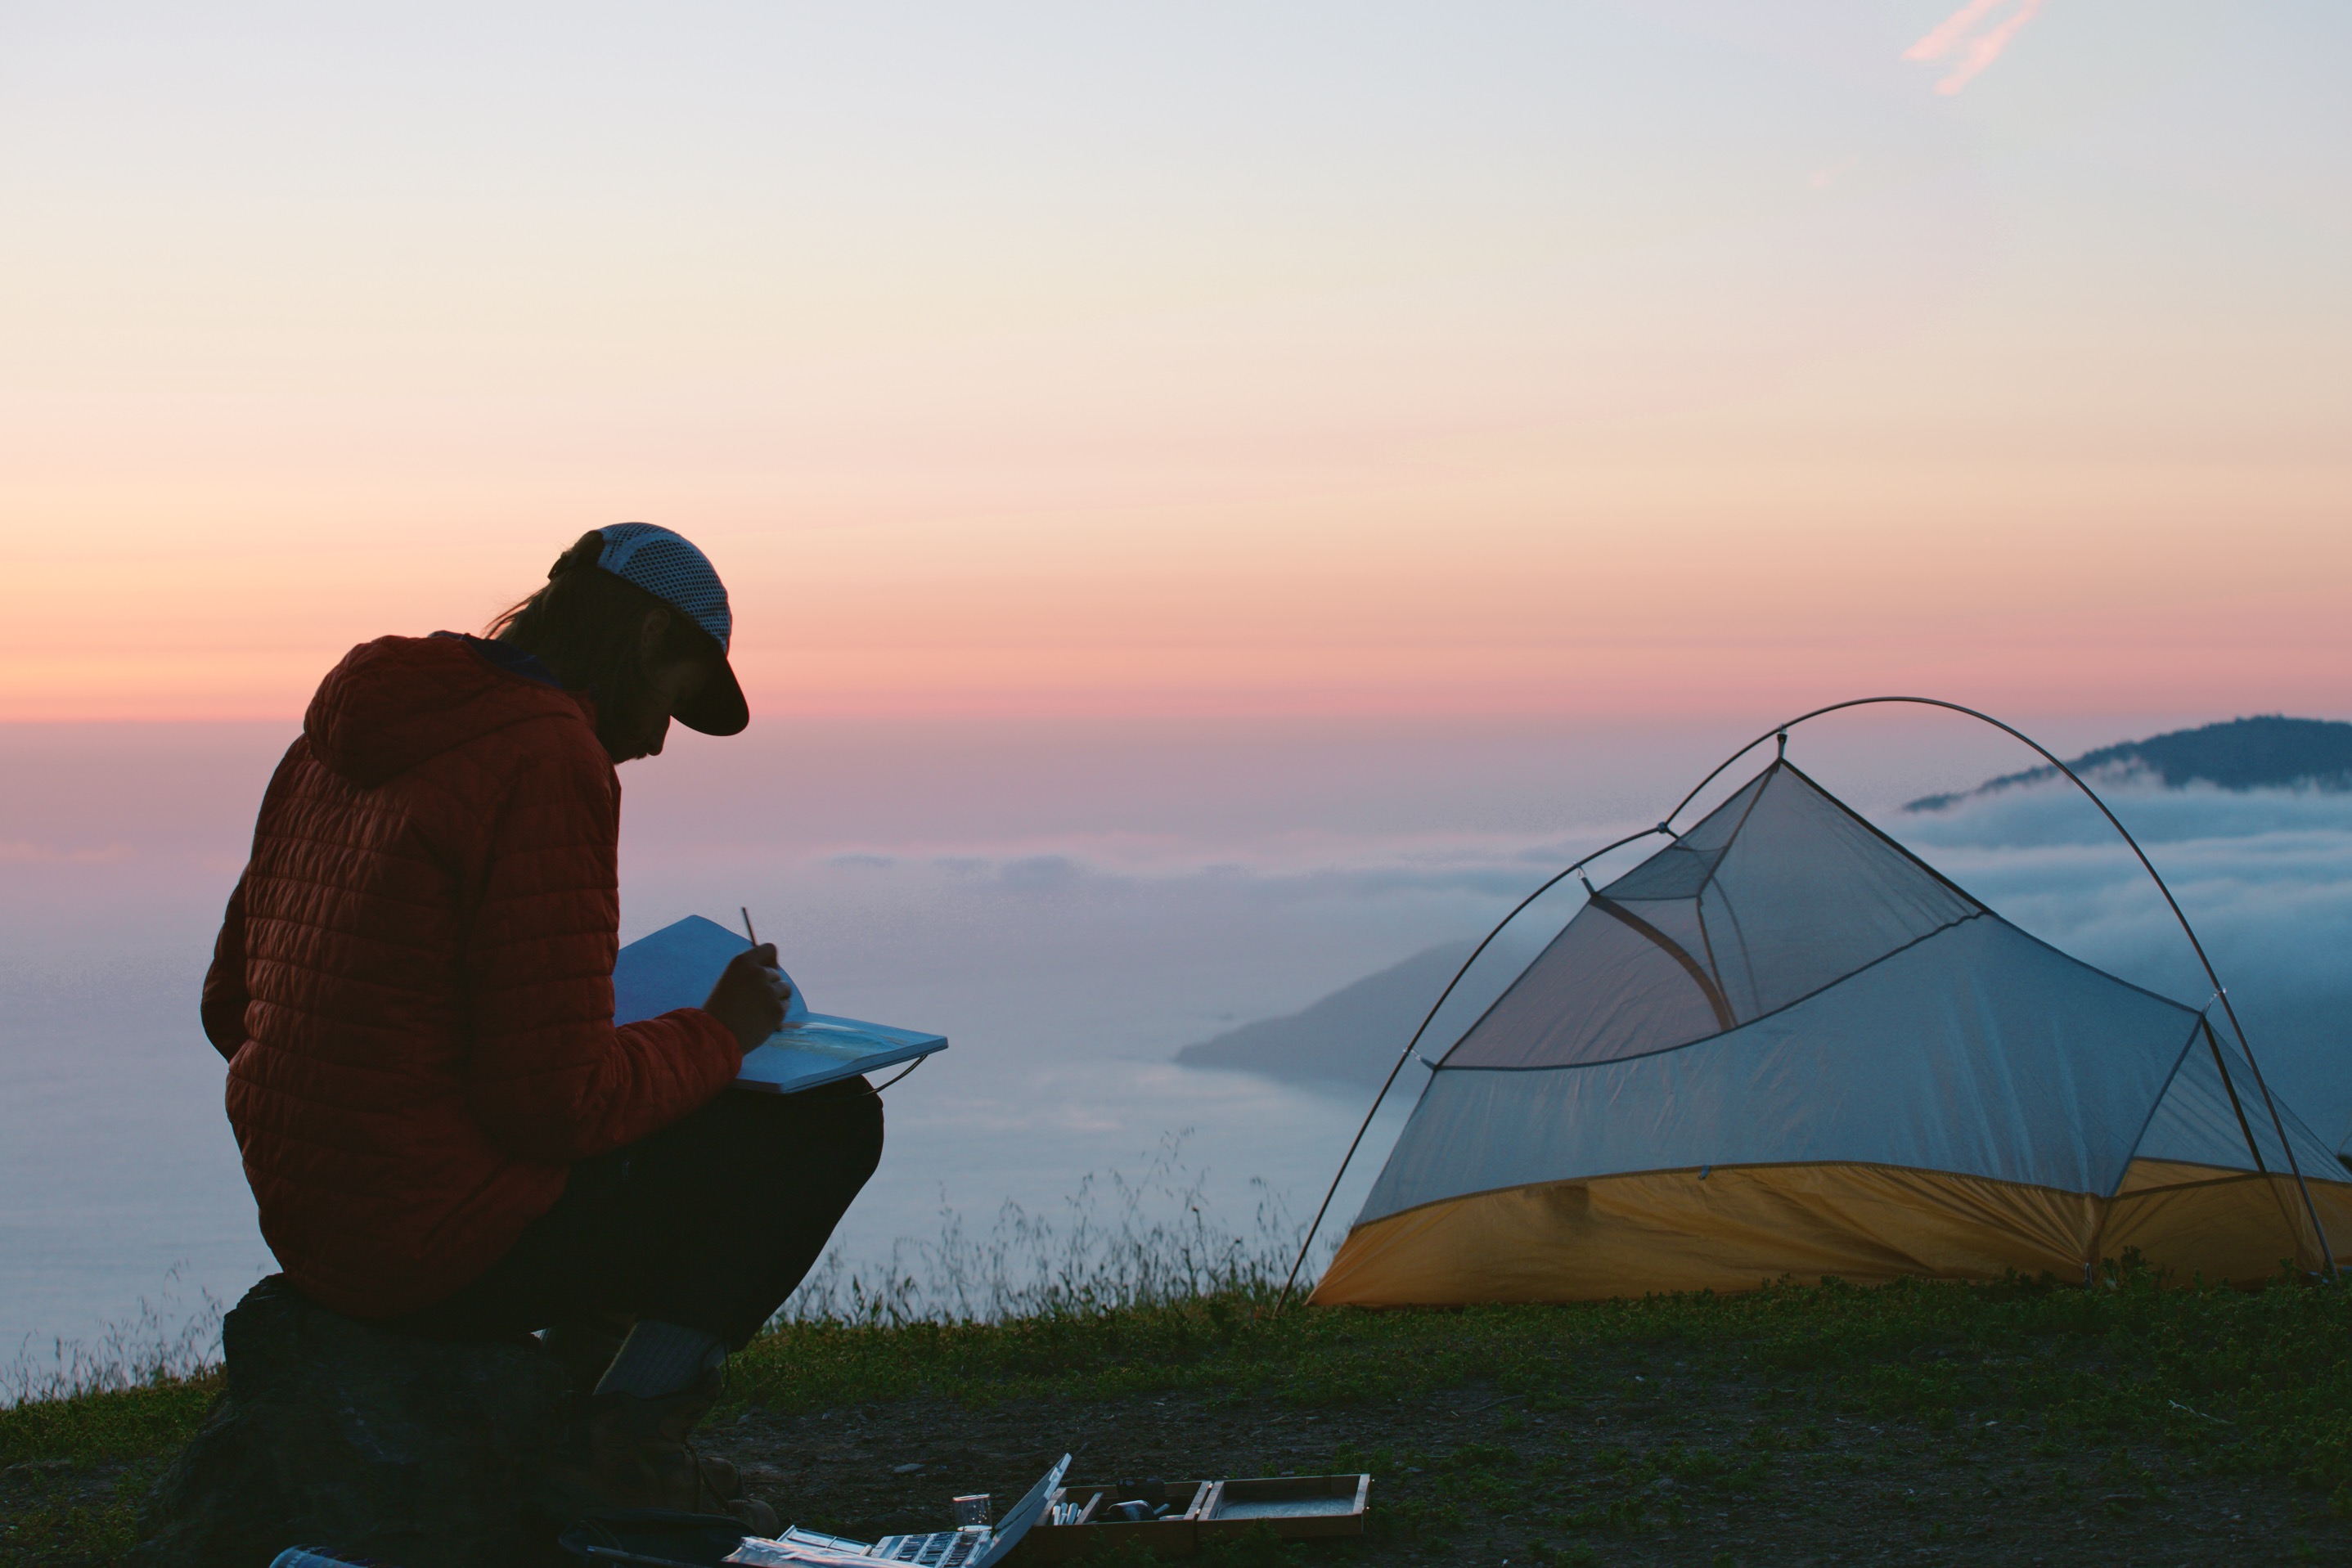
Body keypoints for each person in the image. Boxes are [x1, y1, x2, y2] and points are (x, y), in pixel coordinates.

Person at [200, 525, 882, 1530]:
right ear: (649, 636)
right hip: (436, 1247)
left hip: (317, 1223)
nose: (657, 740)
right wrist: (721, 1032)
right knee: (829, 1125)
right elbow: (555, 1104)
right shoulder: (547, 755)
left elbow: (231, 1008)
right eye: (672, 699)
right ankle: (622, 1450)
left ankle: (576, 1401)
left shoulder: (334, 741)